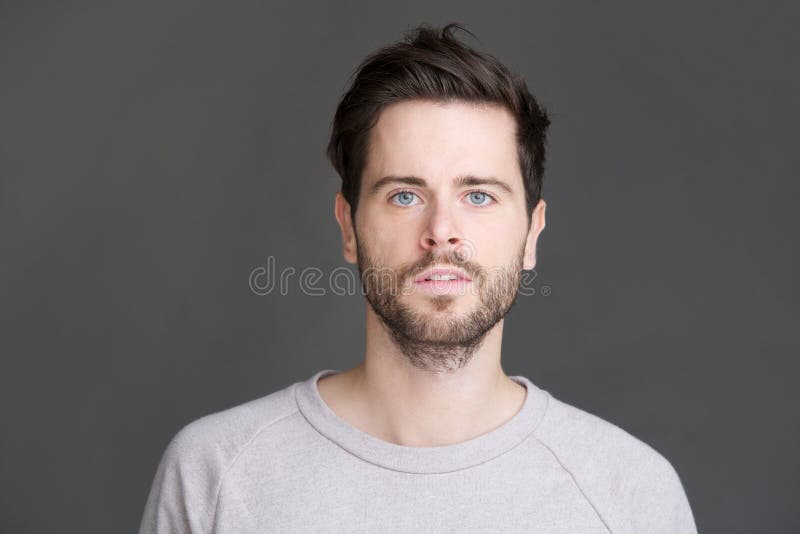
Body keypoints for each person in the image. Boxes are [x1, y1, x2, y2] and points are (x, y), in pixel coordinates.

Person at [138, 22, 698, 533]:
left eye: (479, 196)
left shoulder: (631, 494)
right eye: (405, 195)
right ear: (349, 227)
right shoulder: (216, 473)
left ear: (532, 233)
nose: (442, 232)